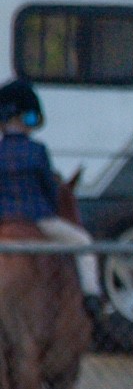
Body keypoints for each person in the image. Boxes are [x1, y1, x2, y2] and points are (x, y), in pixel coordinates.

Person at [0, 78, 101, 309]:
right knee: (83, 243)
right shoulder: (38, 151)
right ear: (25, 119)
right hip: (39, 219)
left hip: (2, 218)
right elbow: (49, 189)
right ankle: (91, 296)